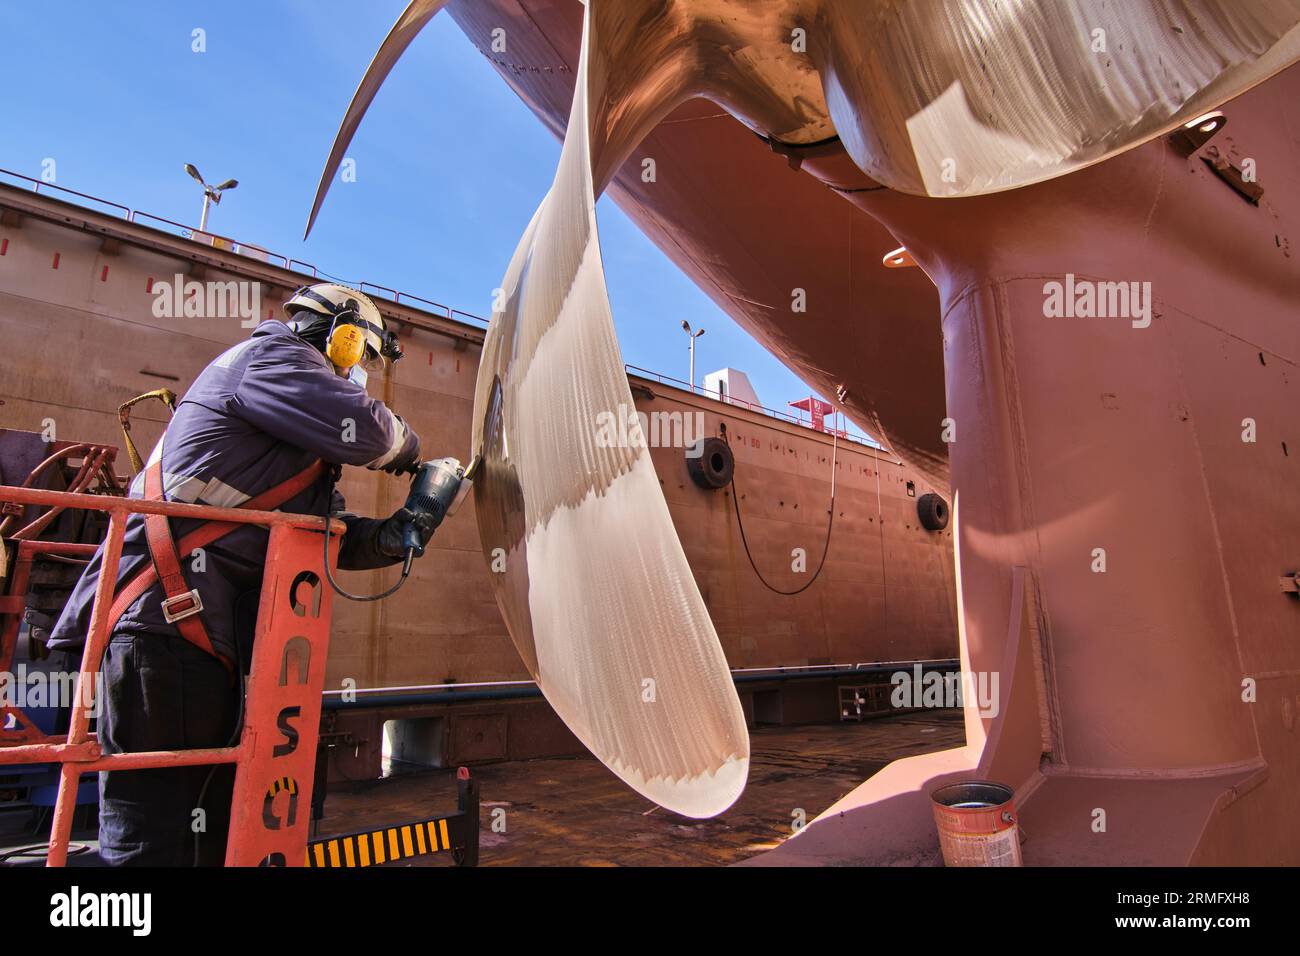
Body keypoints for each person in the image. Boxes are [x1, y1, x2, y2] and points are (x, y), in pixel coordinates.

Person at [49, 283, 438, 866]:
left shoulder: (284, 443)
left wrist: (400, 530)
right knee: (150, 837)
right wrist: (416, 452)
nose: (359, 374)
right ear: (342, 336)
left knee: (213, 829)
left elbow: (320, 539)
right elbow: (375, 432)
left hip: (200, 641)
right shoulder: (269, 360)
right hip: (162, 625)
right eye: (362, 357)